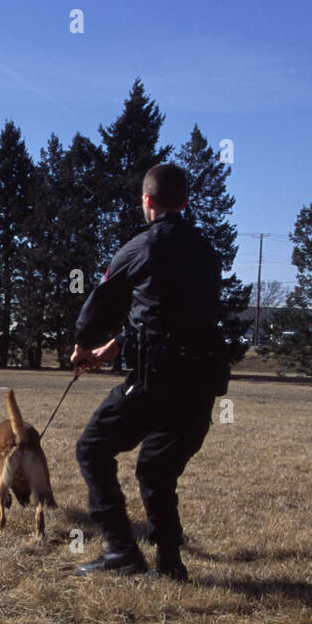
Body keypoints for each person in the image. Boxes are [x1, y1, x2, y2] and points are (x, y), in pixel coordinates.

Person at [69, 163, 229, 581]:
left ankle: (122, 550)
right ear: (185, 201)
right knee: (157, 471)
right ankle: (170, 565)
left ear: (147, 201)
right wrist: (111, 349)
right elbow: (164, 314)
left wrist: (84, 345)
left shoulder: (141, 248)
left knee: (92, 448)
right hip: (199, 385)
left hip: (155, 382)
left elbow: (99, 306)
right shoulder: (206, 252)